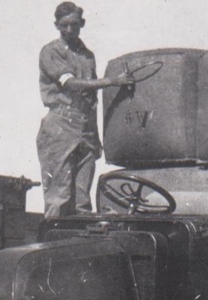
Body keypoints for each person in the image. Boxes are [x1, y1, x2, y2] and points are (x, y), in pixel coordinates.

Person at [37, 2, 134, 217]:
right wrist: (111, 81)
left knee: (82, 202)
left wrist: (95, 137)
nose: (69, 30)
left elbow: (91, 100)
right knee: (58, 199)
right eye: (63, 25)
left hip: (86, 129)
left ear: (82, 24)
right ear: (56, 25)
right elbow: (70, 84)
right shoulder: (50, 52)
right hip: (60, 127)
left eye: (73, 24)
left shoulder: (88, 56)